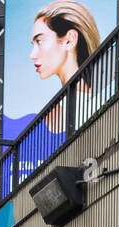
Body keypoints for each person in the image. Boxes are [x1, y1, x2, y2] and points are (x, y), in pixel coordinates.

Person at [30, 2, 102, 133]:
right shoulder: (63, 106)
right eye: (33, 44)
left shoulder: (90, 107)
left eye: (39, 41)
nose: (32, 55)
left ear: (70, 40)